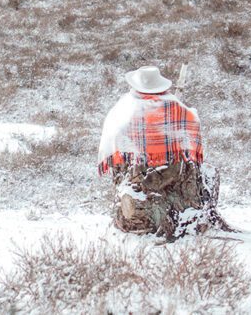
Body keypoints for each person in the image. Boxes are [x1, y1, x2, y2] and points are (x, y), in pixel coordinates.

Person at [97, 65, 229, 239]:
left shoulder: (127, 107)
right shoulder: (174, 106)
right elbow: (192, 124)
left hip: (138, 164)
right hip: (173, 165)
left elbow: (114, 133)